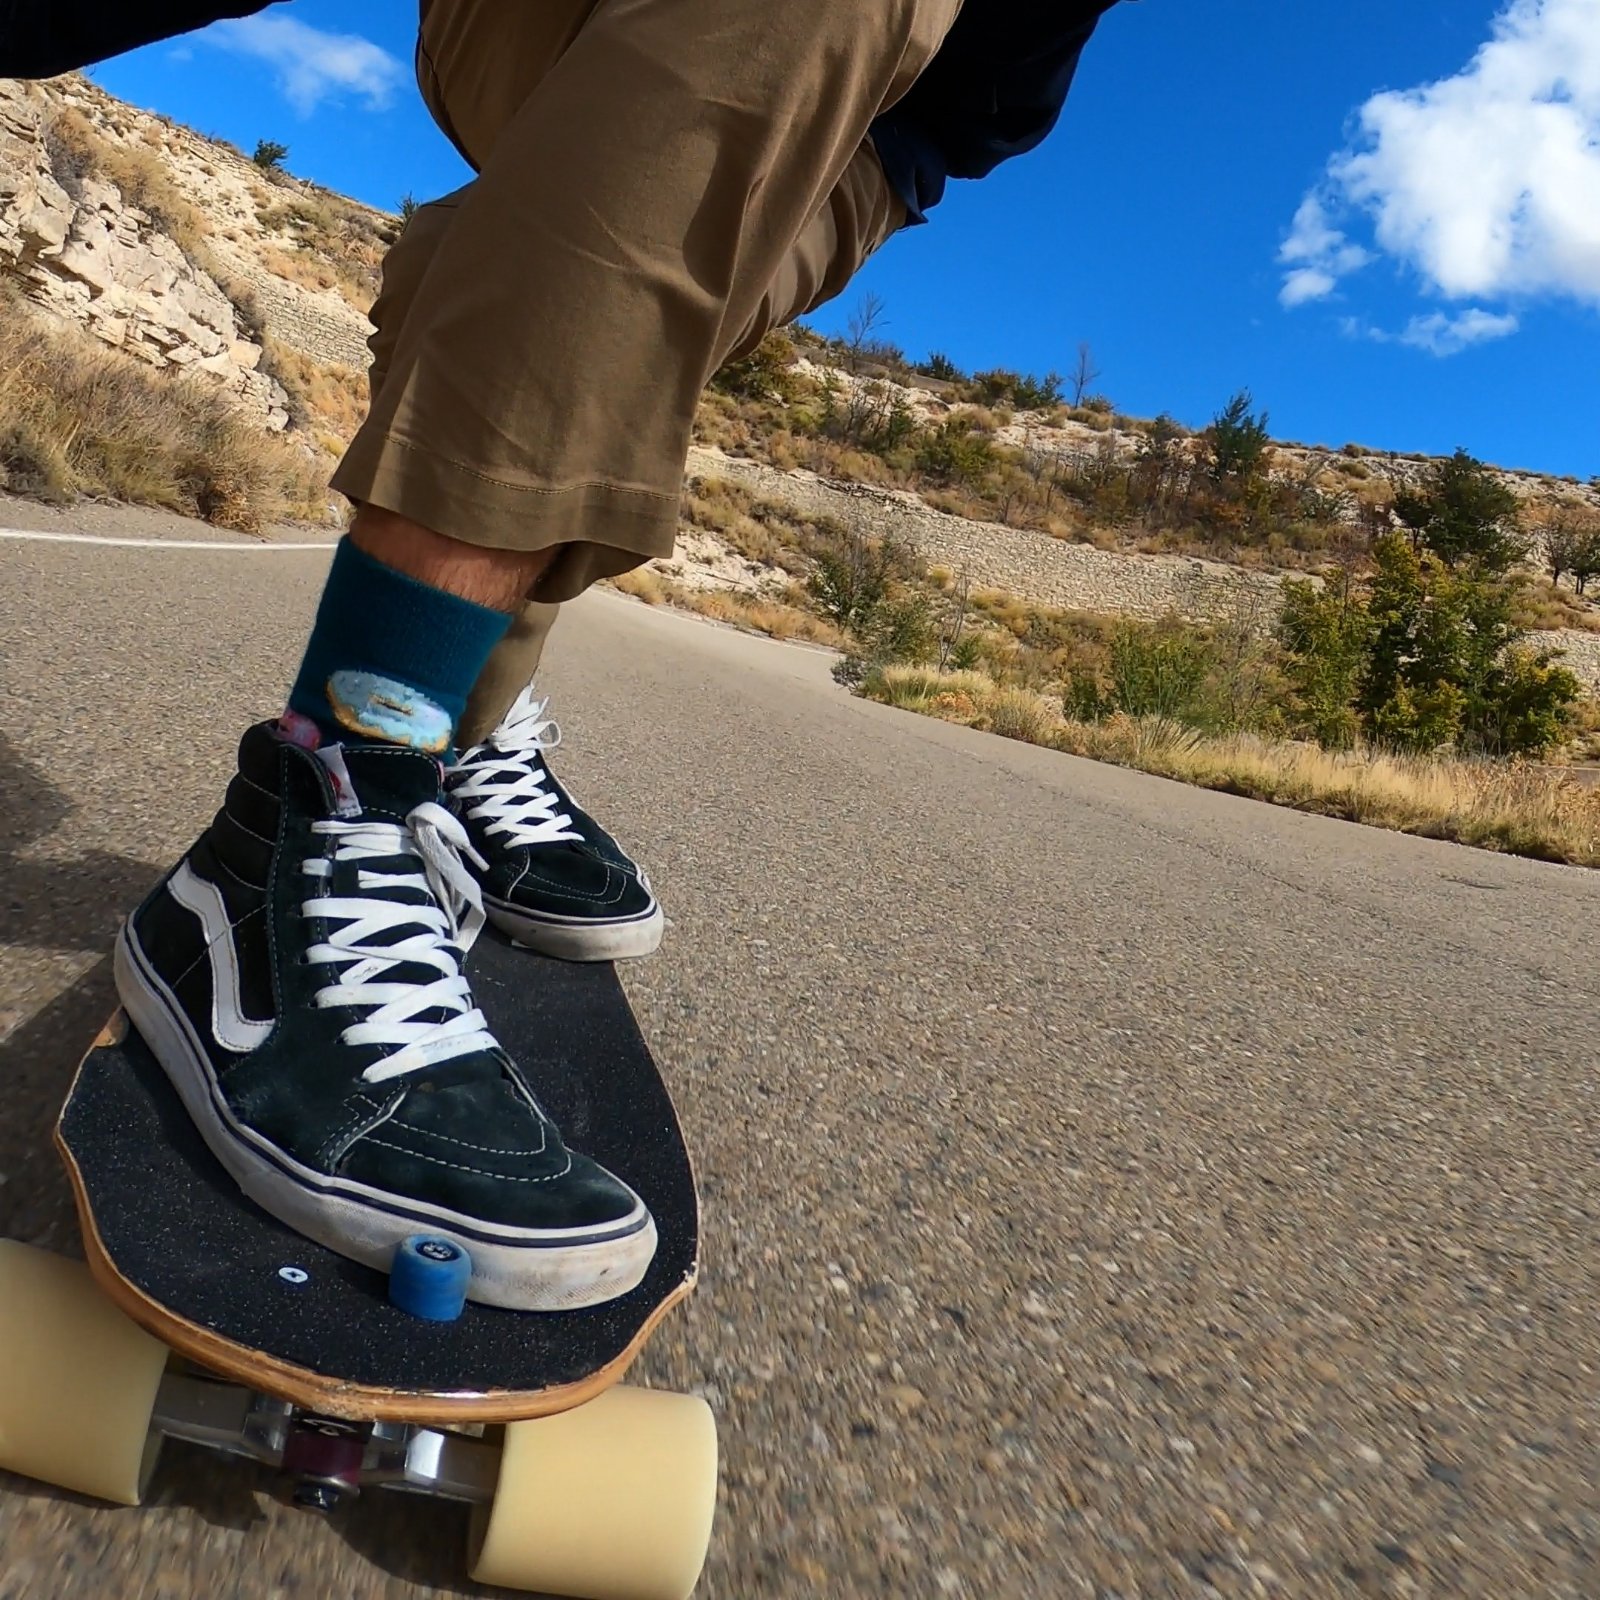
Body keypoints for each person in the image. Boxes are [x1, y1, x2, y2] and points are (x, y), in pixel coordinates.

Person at [4, 0, 1122, 1310]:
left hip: (879, 143)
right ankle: (327, 805)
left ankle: (457, 733)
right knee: (651, 187)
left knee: (552, 278)